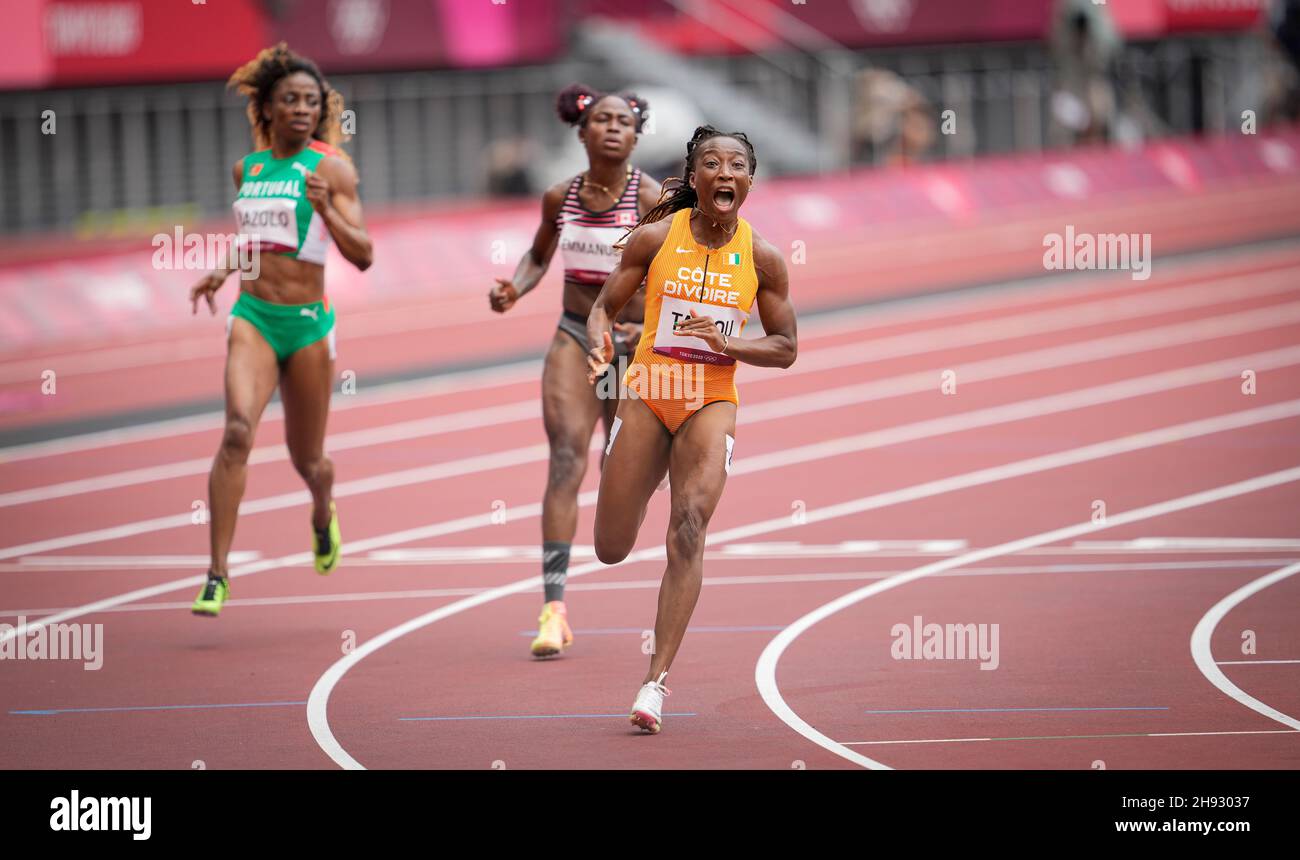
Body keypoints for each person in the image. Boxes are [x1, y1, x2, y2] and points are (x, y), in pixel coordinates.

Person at [585, 126, 797, 733]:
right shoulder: (655, 239)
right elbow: (606, 305)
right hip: (651, 394)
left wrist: (730, 344)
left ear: (749, 182)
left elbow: (786, 347)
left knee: (688, 528)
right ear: (695, 177)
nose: (724, 172)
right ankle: (648, 469)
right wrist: (601, 337)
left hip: (710, 400)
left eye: (736, 165)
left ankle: (654, 682)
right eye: (711, 163)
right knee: (610, 548)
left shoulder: (764, 258)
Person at [188, 43, 373, 616]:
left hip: (308, 326)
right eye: (289, 99)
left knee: (308, 460)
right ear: (265, 108)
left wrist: (328, 211)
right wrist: (222, 270)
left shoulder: (332, 169)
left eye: (311, 102)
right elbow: (256, 240)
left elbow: (364, 254)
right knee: (238, 431)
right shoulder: (248, 168)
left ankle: (323, 509)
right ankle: (217, 573)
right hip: (253, 318)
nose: (301, 109)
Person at [488, 84, 661, 658]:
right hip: (572, 336)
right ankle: (554, 608)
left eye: (624, 122)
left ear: (636, 136)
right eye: (602, 120)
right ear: (582, 132)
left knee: (619, 463)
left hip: (626, 348)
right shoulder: (559, 197)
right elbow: (539, 255)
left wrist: (653, 333)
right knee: (566, 457)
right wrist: (515, 285)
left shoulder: (652, 198)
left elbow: (674, 270)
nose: (613, 128)